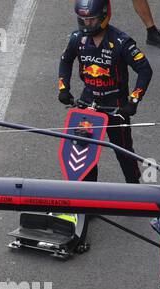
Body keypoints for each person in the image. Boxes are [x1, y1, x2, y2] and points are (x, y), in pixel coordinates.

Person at [58, 0, 152, 184]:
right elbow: (65, 60)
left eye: (92, 20)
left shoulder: (121, 42)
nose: (87, 24)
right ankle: (89, 198)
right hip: (87, 105)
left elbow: (145, 70)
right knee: (83, 151)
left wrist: (133, 100)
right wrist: (63, 88)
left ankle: (134, 190)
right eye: (83, 20)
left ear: (103, 16)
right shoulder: (77, 38)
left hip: (115, 107)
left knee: (123, 151)